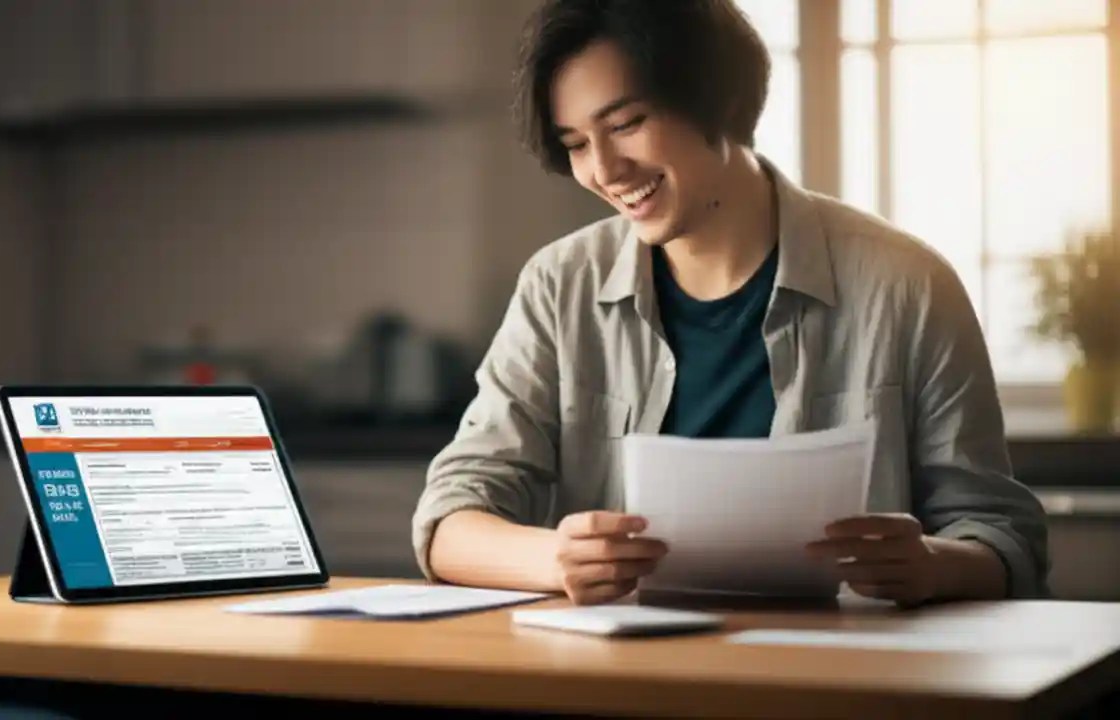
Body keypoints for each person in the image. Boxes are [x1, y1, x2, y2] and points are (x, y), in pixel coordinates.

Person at [411, 0, 1048, 607]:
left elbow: (1003, 536)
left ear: (718, 98)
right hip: (624, 675)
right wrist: (560, 560)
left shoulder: (906, 283)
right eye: (576, 143)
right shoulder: (559, 287)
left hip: (845, 680)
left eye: (626, 124)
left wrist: (932, 566)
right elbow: (450, 520)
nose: (604, 170)